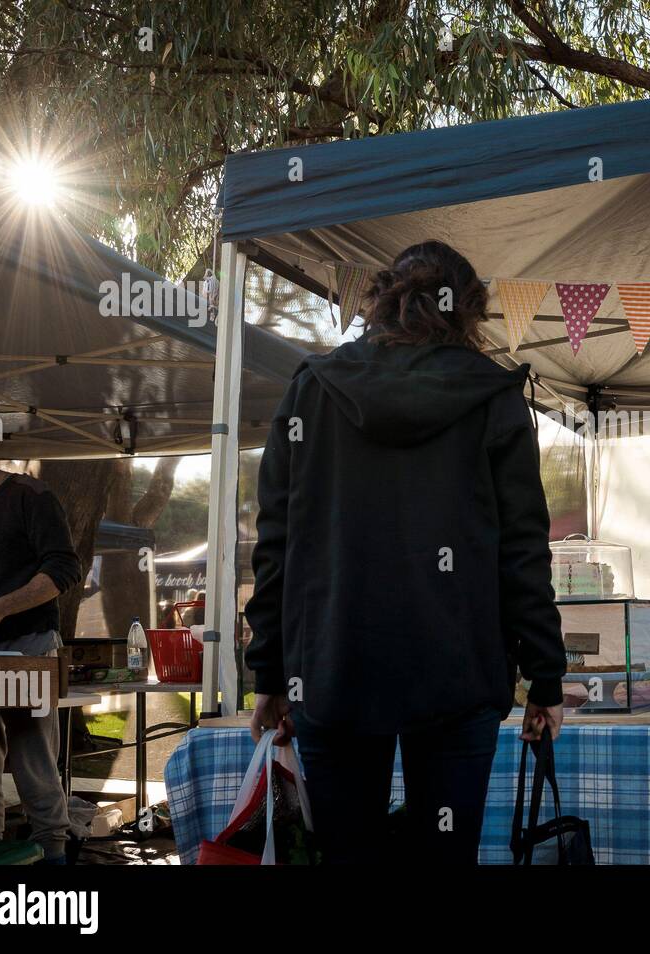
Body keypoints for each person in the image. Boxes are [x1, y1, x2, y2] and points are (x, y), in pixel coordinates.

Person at [244, 240, 567, 865]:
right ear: (468, 310)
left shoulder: (311, 390)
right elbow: (524, 550)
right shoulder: (494, 398)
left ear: (382, 299)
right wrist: (545, 676)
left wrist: (269, 673)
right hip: (457, 674)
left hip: (334, 668)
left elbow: (275, 542)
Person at [0, 401, 82, 863]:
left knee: (33, 763)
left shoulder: (30, 496)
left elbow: (64, 568)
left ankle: (55, 861)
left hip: (30, 648)